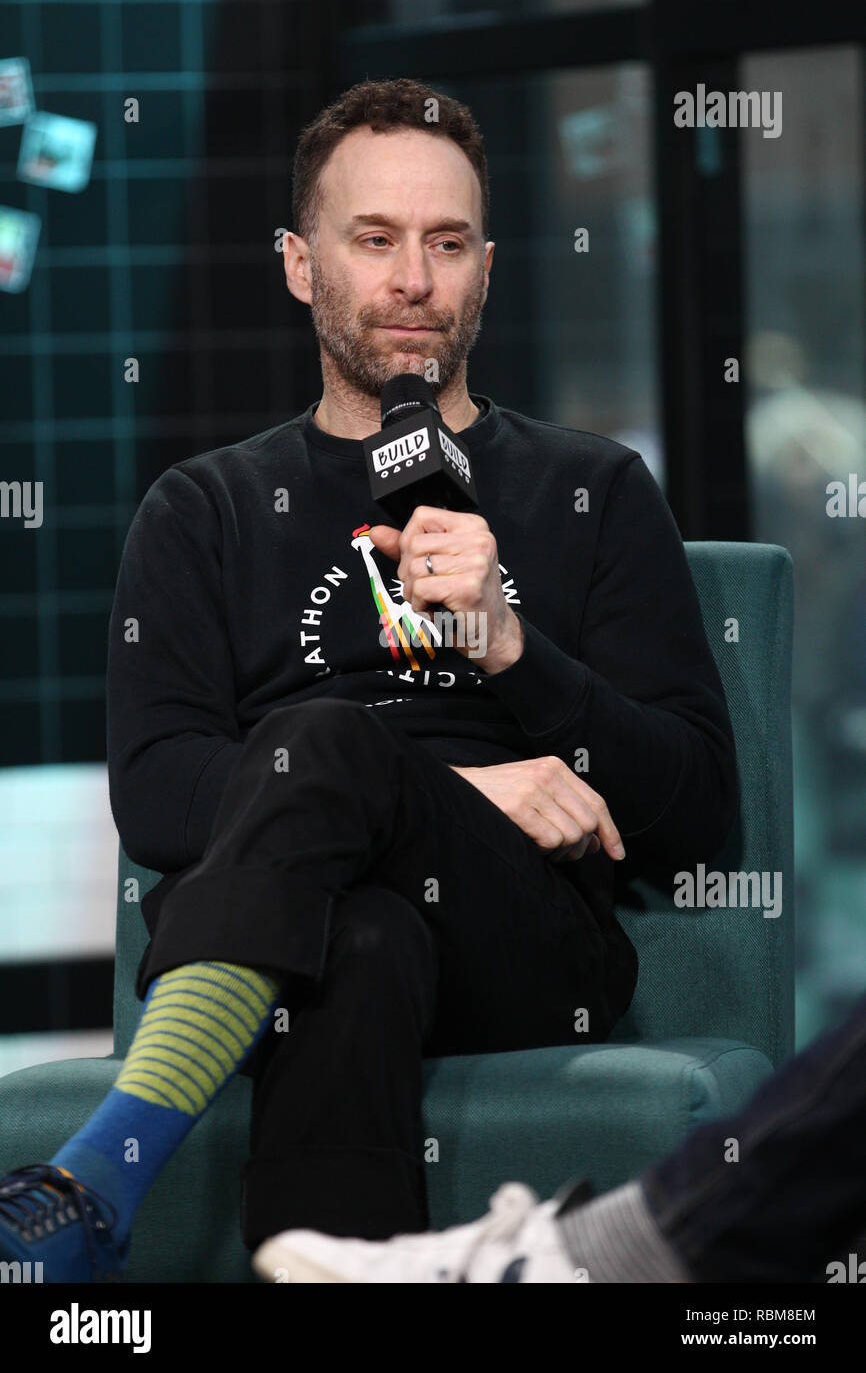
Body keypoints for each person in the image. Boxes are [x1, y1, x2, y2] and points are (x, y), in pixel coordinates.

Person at [0, 77, 736, 1282]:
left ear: (485, 267)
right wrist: (469, 786)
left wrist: (512, 646)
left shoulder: (590, 490)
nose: (412, 282)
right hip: (318, 937)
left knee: (324, 739)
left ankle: (102, 1171)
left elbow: (697, 806)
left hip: (528, 948)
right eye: (374, 240)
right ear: (300, 264)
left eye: (446, 244)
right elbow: (158, 794)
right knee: (365, 932)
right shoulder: (205, 509)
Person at [251, 987, 866, 1284]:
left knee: (324, 755)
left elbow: (693, 793)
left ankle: (612, 1257)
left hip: (523, 916)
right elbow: (163, 795)